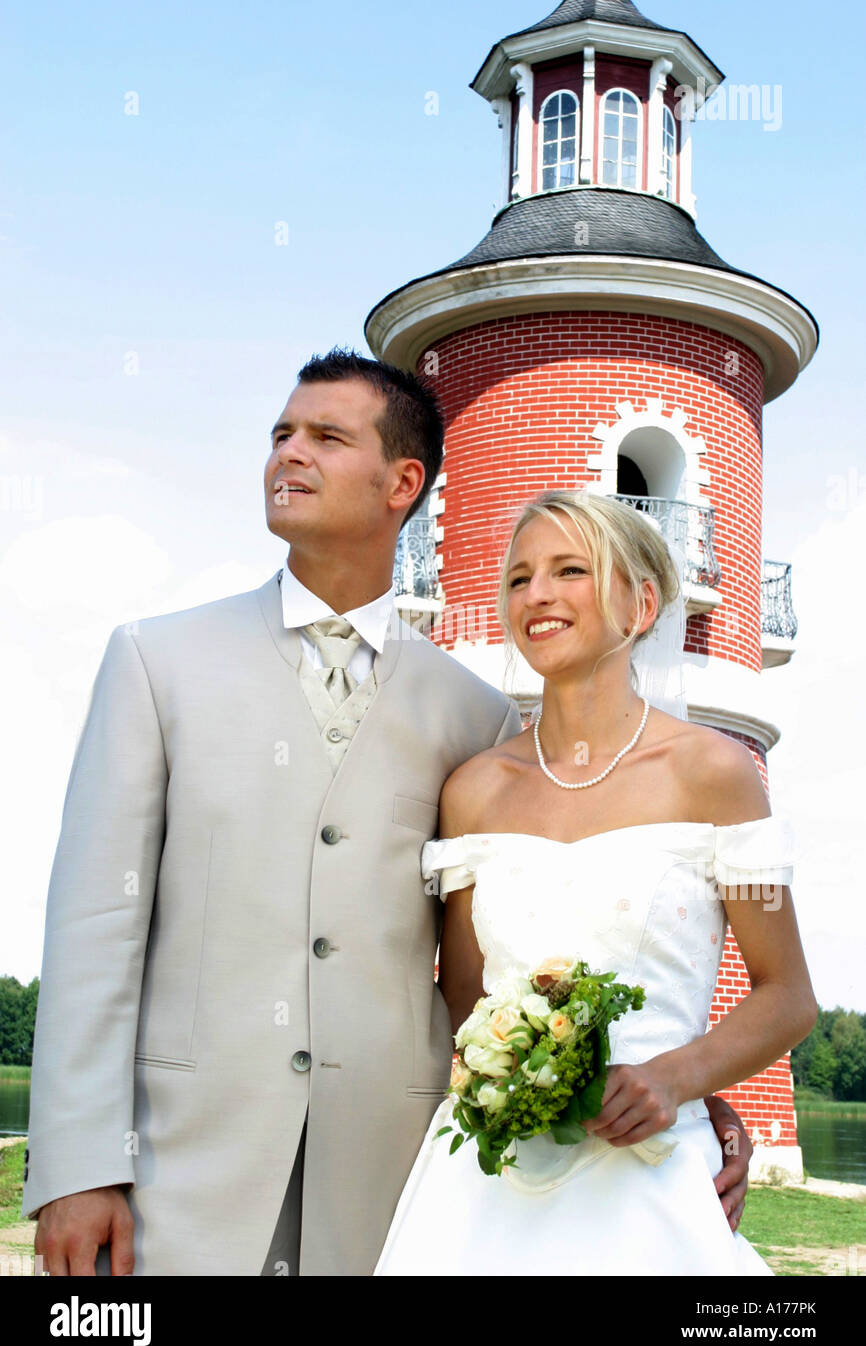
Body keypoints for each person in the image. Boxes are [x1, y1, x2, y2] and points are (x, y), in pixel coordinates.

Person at [24, 355, 755, 1276]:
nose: (288, 455)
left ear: (403, 484)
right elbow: (96, 929)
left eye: (326, 438)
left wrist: (689, 1094)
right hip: (181, 1180)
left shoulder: (472, 716)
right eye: (281, 435)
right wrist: (78, 1165)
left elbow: (505, 969)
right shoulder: (155, 663)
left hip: (398, 1183)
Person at [375, 489, 817, 1276]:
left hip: (651, 1183)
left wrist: (683, 1081)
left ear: (642, 602)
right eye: (517, 578)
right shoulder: (472, 790)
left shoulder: (714, 774)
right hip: (491, 1194)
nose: (536, 595)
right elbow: (464, 1000)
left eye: (569, 570)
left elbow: (787, 996)